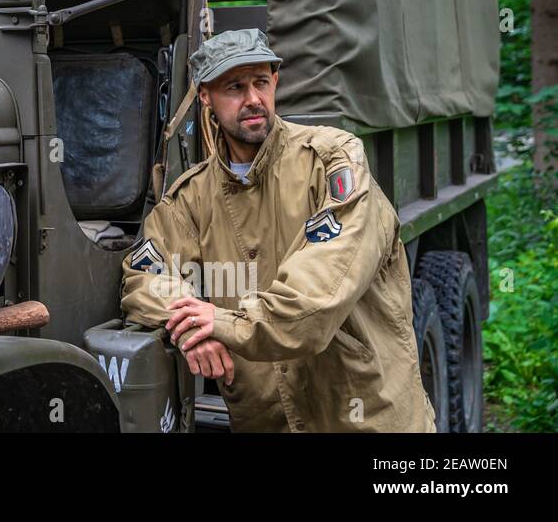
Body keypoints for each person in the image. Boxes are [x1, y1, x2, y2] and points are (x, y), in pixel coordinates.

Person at [120, 28, 437, 432]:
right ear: (205, 97)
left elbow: (315, 301)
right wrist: (192, 327)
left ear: (275, 83)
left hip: (361, 420)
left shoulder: (332, 161)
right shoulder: (192, 199)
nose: (253, 99)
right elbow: (143, 277)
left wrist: (220, 324)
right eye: (234, 87)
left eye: (261, 82)